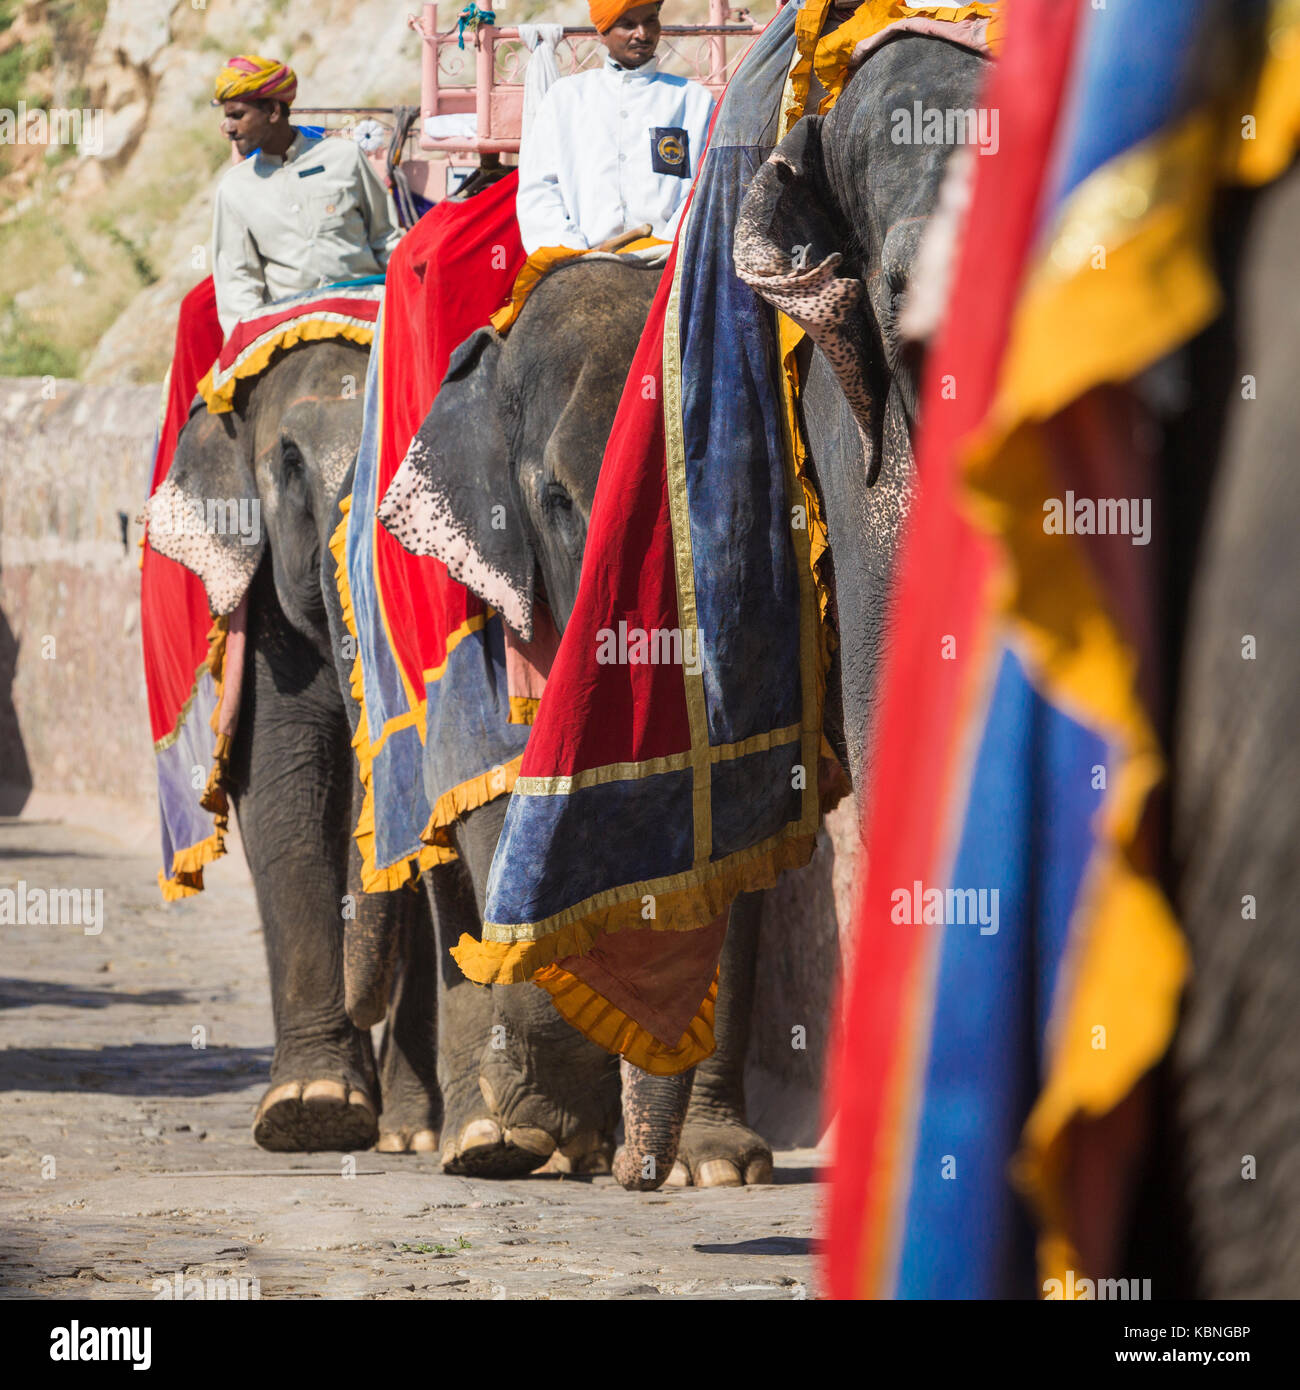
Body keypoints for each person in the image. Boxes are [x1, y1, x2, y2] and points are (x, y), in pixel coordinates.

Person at [210, 54, 401, 336]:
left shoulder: (344, 157)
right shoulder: (234, 189)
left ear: (273, 111)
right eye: (227, 117)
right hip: (292, 331)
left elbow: (386, 239)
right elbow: (239, 284)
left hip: (368, 312)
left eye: (237, 115)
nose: (228, 127)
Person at [515, 1, 715, 256]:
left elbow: (704, 189)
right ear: (603, 33)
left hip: (667, 261)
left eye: (650, 21)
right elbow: (540, 188)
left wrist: (666, 248)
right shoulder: (565, 98)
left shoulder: (692, 100)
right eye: (628, 25)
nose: (642, 34)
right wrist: (577, 254)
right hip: (581, 260)